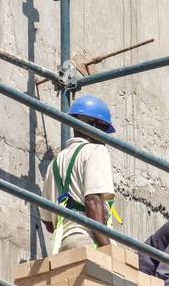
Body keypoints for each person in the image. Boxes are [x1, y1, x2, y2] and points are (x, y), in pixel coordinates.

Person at [42, 95, 118, 254]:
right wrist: (108, 249)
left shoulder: (53, 165)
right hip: (88, 241)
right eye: (104, 129)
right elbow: (92, 201)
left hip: (62, 246)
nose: (104, 137)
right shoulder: (96, 151)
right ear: (94, 126)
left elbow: (48, 223)